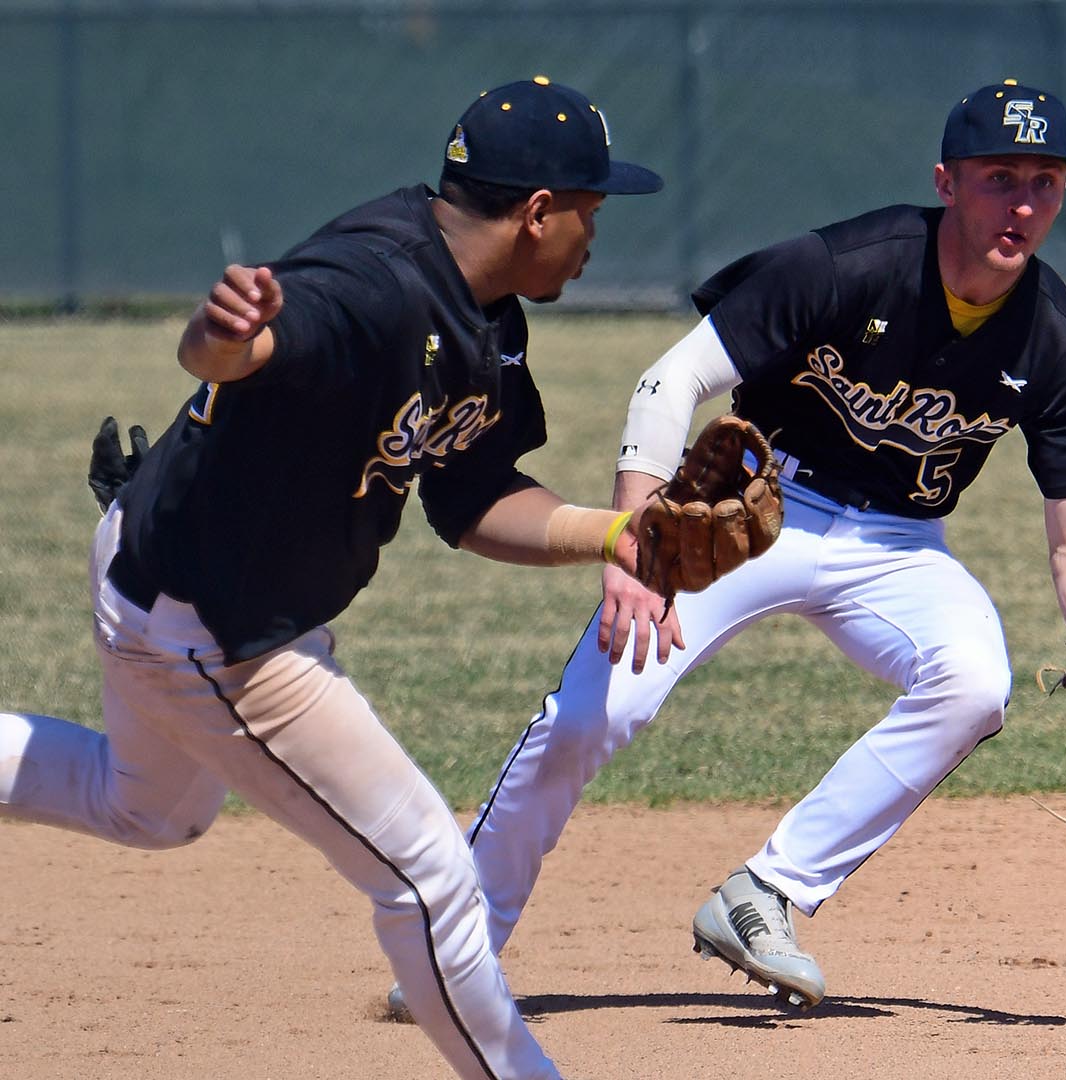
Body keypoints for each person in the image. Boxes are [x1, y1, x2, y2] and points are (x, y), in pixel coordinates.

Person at [417, 77, 1066, 1014]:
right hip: (745, 503)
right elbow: (671, 382)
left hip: (900, 542)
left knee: (975, 682)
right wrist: (637, 538)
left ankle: (766, 893)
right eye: (998, 177)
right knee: (595, 715)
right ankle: (457, 951)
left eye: (1045, 182)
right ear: (947, 180)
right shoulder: (845, 266)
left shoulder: (1058, 343)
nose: (1022, 203)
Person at [3, 77, 664, 1080]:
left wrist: (614, 532)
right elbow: (242, 346)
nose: (594, 232)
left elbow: (473, 498)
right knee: (433, 877)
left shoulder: (488, 316)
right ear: (538, 212)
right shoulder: (374, 283)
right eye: (592, 210)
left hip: (159, 563)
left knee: (151, 808)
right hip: (218, 629)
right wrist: (222, 333)